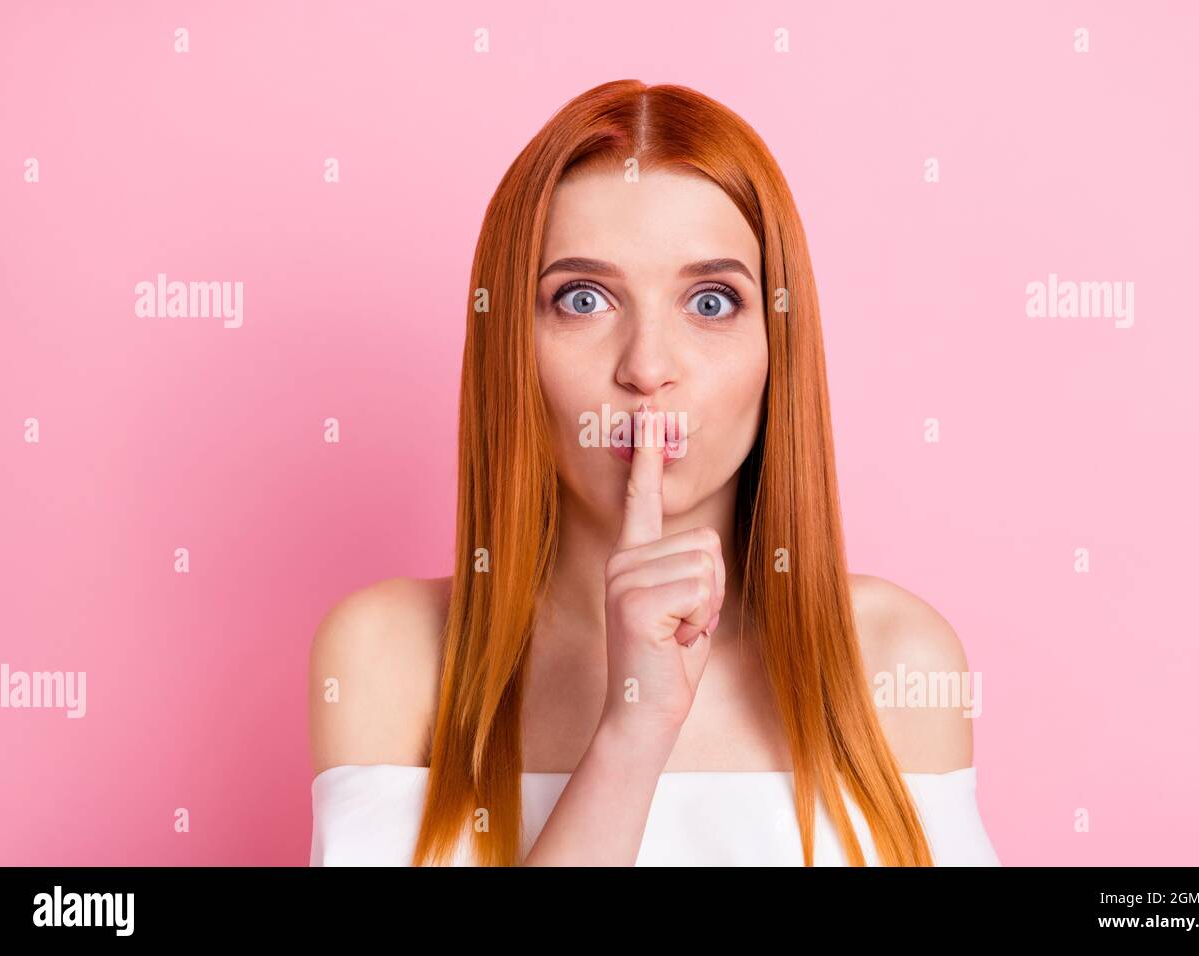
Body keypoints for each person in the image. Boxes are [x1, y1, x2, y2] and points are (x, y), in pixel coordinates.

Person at [308, 79, 999, 866]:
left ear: (777, 345)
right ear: (511, 346)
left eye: (710, 302)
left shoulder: (896, 659)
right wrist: (633, 732)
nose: (646, 366)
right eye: (582, 299)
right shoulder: (392, 657)